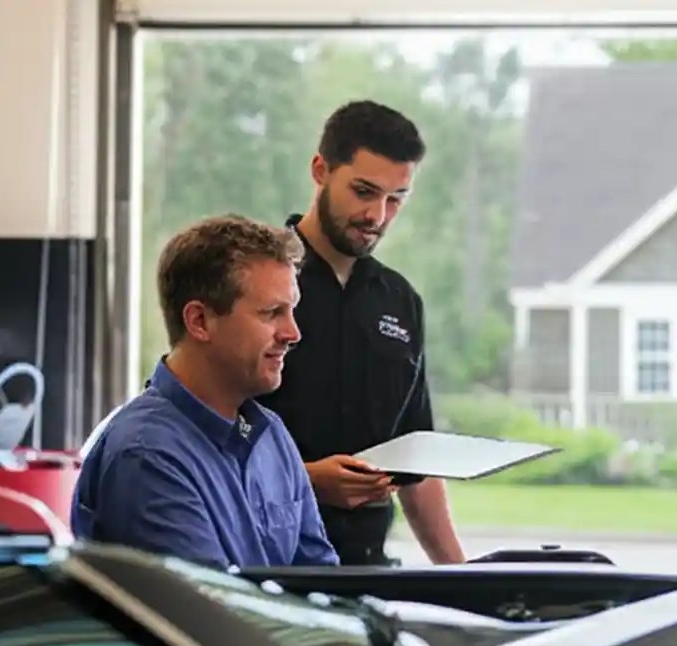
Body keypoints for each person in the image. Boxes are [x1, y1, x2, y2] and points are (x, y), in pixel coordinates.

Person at [259, 100, 465, 566]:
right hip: (265, 566)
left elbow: (416, 463)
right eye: (363, 191)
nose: (377, 215)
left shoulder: (400, 301)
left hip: (367, 570)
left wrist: (465, 580)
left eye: (396, 199)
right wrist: (307, 479)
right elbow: (205, 442)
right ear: (320, 170)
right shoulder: (255, 280)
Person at [71, 215, 340, 569]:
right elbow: (205, 601)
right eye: (272, 312)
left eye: (291, 311)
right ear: (199, 321)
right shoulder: (147, 456)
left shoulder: (270, 434)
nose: (293, 333)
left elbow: (323, 581)